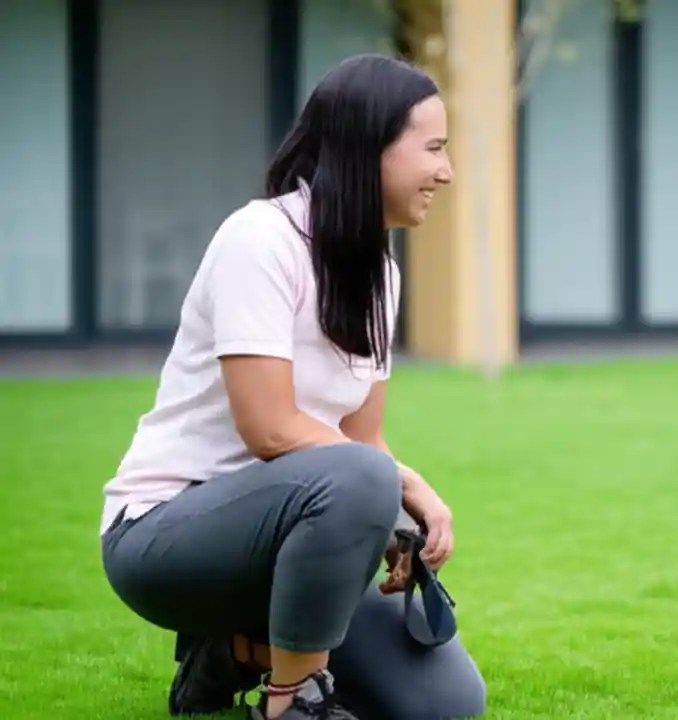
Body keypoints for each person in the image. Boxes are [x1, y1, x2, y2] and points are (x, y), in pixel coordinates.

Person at [98, 54, 485, 720]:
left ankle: (236, 651)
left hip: (290, 538)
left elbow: (363, 440)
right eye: (434, 149)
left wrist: (395, 524)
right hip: (164, 537)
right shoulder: (261, 239)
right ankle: (293, 701)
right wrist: (402, 483)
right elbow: (271, 427)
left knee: (446, 705)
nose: (446, 172)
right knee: (364, 475)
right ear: (371, 150)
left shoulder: (379, 277)